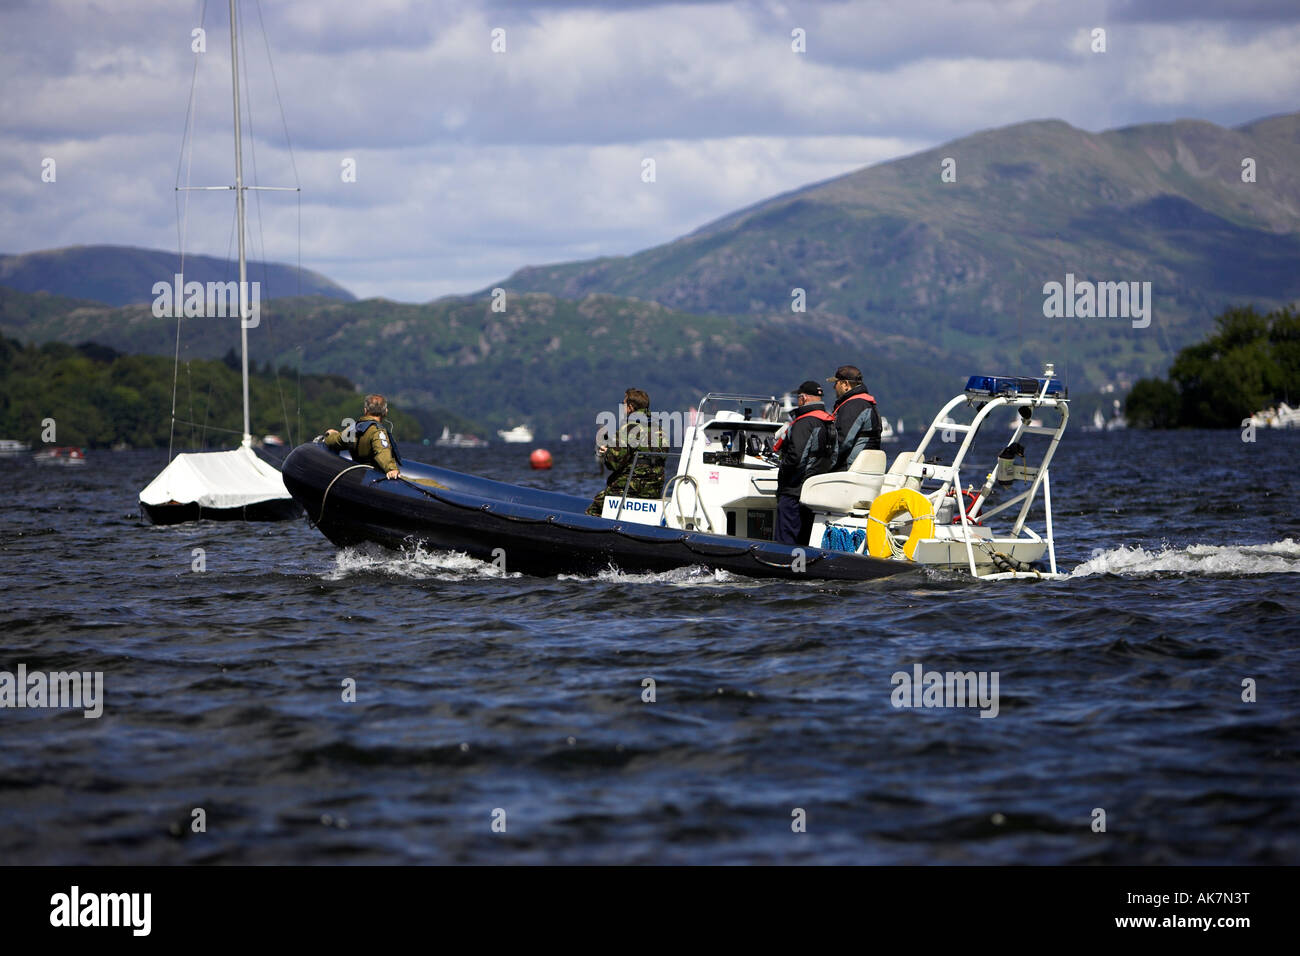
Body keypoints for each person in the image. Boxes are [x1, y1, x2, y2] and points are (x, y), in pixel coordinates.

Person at [774, 380, 838, 546]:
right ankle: (801, 566)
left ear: (803, 398)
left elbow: (796, 458)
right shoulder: (828, 422)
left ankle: (783, 567)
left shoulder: (804, 422)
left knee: (786, 539)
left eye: (798, 398)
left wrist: (782, 468)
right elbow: (834, 455)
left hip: (794, 491)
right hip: (815, 489)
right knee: (805, 538)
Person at [587, 388, 668, 517]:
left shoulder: (628, 429)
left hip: (629, 489)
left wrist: (607, 453)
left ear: (630, 407)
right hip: (654, 490)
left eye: (624, 404)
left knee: (593, 511)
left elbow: (613, 464)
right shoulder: (660, 431)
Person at [322, 393, 401, 479]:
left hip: (357, 476)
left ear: (365, 410)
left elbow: (335, 441)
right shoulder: (377, 431)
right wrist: (391, 469)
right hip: (374, 478)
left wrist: (332, 434)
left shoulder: (353, 428)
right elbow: (382, 450)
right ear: (385, 412)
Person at [827, 365, 882, 471]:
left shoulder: (854, 405)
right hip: (867, 469)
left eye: (836, 383)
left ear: (845, 384)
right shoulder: (865, 403)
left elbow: (841, 443)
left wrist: (822, 466)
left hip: (850, 471)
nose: (834, 387)